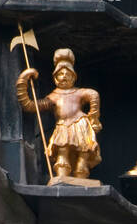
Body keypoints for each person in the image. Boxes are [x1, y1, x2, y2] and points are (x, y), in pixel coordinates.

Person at [16, 48, 101, 181]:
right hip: (62, 127)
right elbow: (30, 106)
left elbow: (94, 95)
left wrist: (94, 117)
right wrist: (23, 80)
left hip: (80, 124)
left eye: (68, 74)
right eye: (60, 74)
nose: (64, 76)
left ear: (73, 77)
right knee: (62, 154)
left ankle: (81, 178)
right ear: (55, 78)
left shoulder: (79, 92)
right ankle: (62, 178)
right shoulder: (53, 97)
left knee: (83, 155)